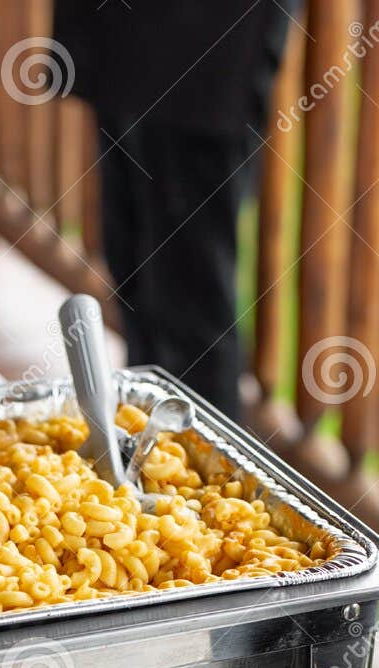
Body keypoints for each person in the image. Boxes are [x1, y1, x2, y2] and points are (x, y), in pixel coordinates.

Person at [52, 1, 295, 420]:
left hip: (202, 51)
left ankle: (209, 476)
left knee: (193, 309)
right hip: (124, 38)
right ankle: (148, 451)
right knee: (133, 273)